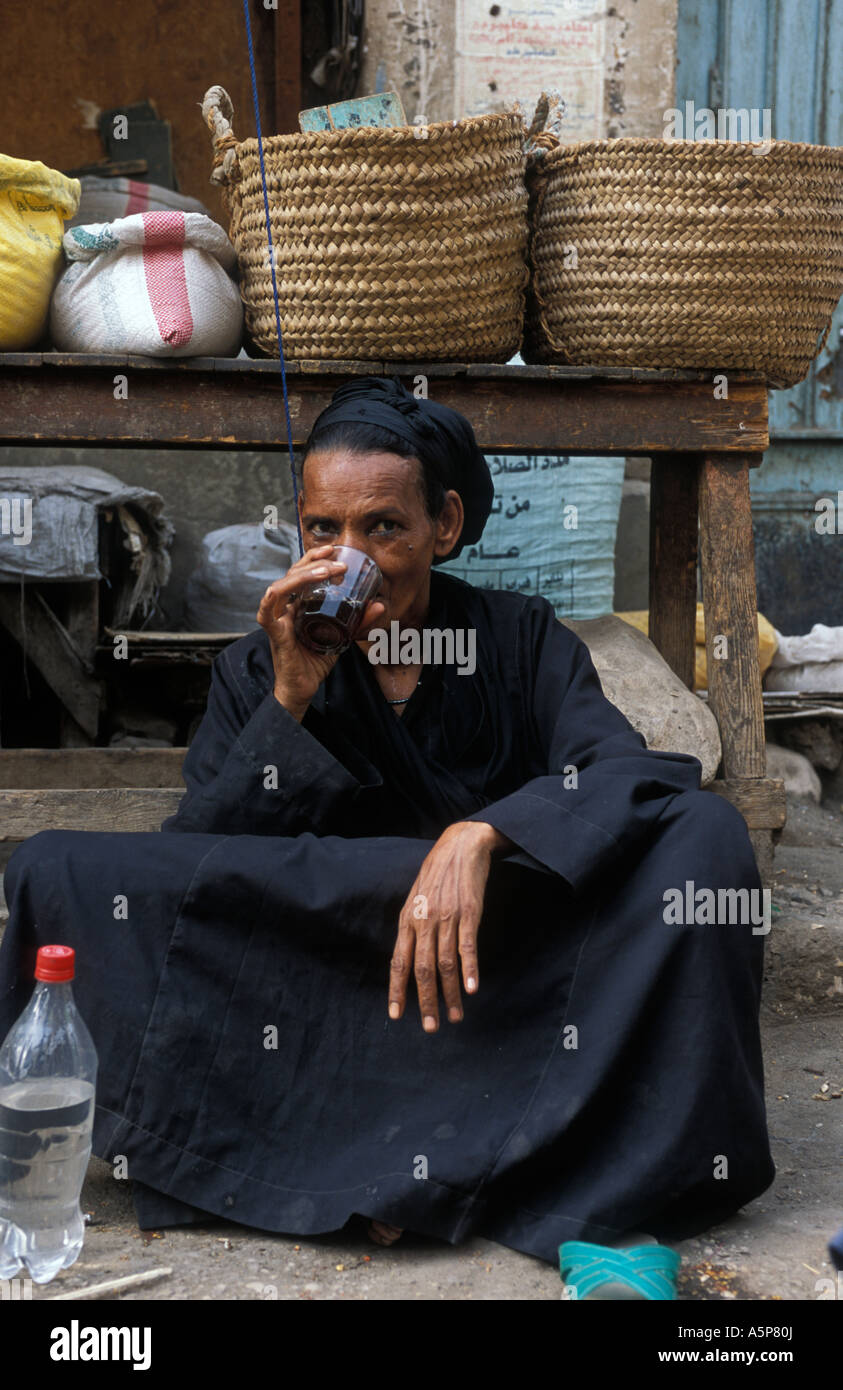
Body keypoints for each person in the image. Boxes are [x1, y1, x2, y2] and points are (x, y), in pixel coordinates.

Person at [0, 376, 775, 1271]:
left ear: (443, 526)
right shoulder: (264, 664)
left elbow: (630, 771)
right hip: (329, 970)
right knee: (56, 870)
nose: (347, 555)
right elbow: (201, 860)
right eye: (323, 529)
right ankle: (368, 1163)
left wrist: (483, 836)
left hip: (498, 966)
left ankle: (508, 1164)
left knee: (705, 840)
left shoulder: (518, 639)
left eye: (383, 528)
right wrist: (291, 695)